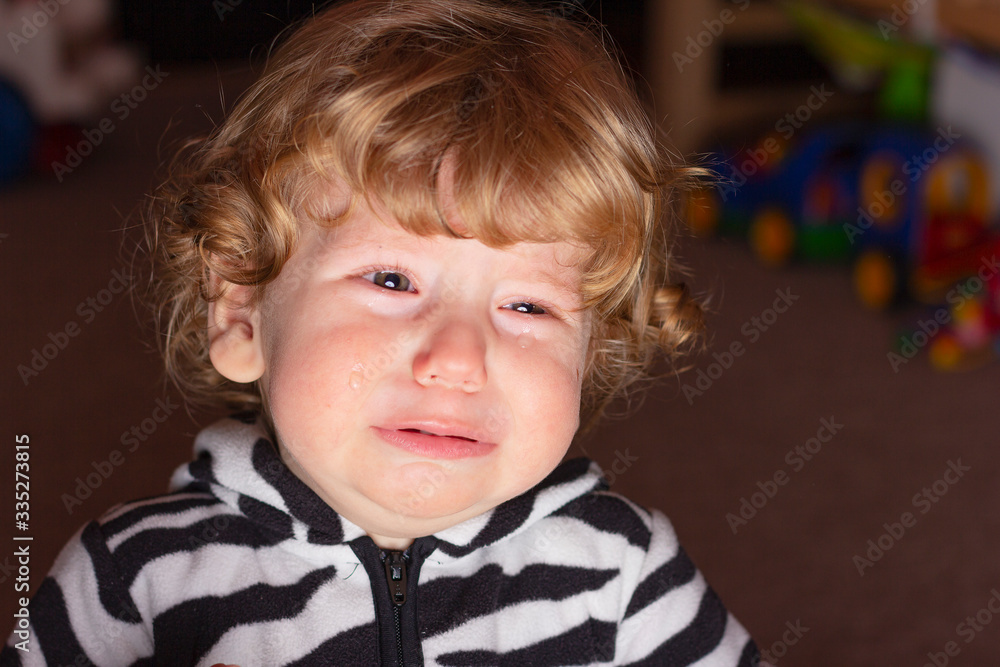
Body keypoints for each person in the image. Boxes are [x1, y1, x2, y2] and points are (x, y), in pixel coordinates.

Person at [2, 1, 760, 664]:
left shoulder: (626, 572)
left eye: (529, 307)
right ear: (241, 313)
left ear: (592, 348)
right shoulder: (136, 577)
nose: (460, 359)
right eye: (393, 281)